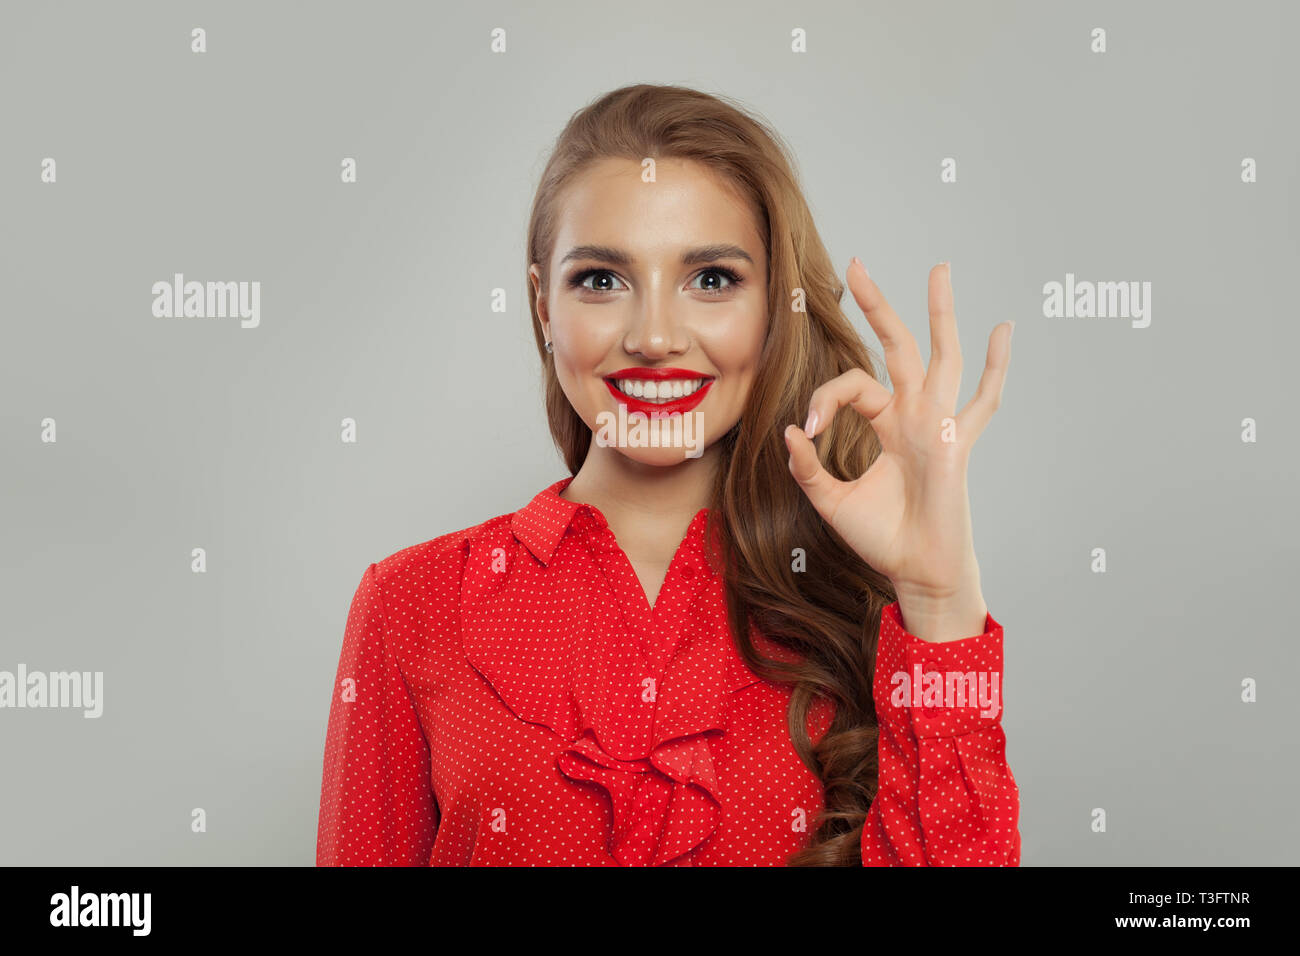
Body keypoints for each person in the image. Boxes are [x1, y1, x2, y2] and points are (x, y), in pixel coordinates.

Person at [316, 83, 1019, 866]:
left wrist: (938, 598)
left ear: (772, 309)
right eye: (602, 280)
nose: (654, 336)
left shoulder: (865, 606)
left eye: (711, 279)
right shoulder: (410, 605)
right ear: (544, 307)